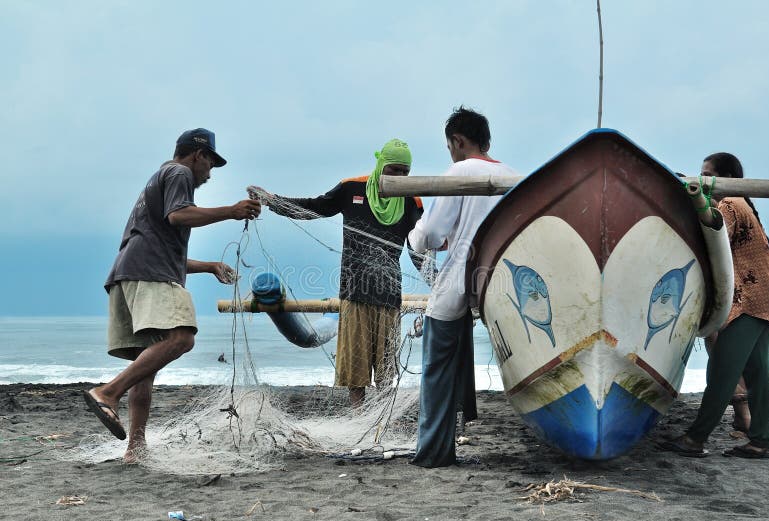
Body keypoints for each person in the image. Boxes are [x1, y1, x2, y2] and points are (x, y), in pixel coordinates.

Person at [83, 128, 262, 463]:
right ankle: (107, 393)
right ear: (198, 155)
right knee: (181, 338)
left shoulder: (159, 179)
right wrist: (232, 210)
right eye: (211, 162)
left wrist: (208, 266)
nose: (211, 171)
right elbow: (178, 215)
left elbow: (163, 245)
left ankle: (135, 448)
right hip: (148, 274)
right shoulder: (178, 172)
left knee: (145, 367)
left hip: (129, 274)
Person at [251, 139, 425, 408]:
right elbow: (313, 208)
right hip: (354, 292)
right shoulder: (351, 188)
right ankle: (358, 416)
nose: (400, 177)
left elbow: (417, 250)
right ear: (381, 166)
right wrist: (272, 201)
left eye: (405, 172)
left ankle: (379, 418)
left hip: (389, 295)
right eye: (394, 170)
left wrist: (440, 283)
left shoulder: (412, 200)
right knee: (355, 368)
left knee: (385, 371)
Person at [408, 106, 519, 467]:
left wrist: (414, 239)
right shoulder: (512, 176)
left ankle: (434, 452)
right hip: (504, 282)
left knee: (438, 367)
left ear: (458, 141)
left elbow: (430, 234)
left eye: (450, 147)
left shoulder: (459, 171)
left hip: (458, 281)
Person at [661, 152, 769, 459]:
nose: (702, 181)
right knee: (759, 374)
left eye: (706, 175)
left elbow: (713, 233)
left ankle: (695, 439)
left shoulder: (730, 205)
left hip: (746, 303)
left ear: (725, 177)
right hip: (766, 301)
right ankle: (760, 441)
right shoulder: (745, 205)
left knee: (721, 372)